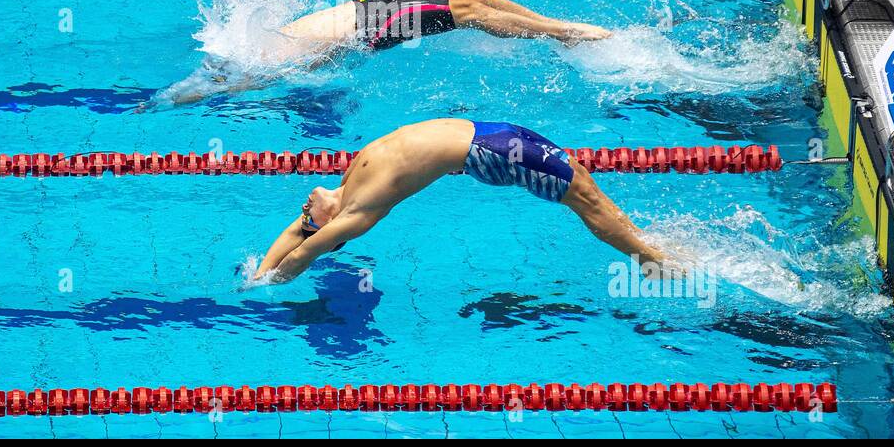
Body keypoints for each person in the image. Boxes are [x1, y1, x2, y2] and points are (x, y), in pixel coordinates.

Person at [252, 118, 670, 283]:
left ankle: (653, 251)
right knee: (585, 203)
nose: (304, 211)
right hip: (493, 152)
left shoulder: (347, 186)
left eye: (305, 213)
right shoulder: (359, 211)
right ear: (332, 224)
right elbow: (305, 250)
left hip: (495, 133)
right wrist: (266, 282)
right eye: (311, 216)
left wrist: (262, 268)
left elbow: (300, 234)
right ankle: (657, 264)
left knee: (584, 185)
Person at [159, 0, 611, 105]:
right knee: (469, 10)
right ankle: (563, 33)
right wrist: (169, 99)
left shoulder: (262, 56)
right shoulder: (266, 62)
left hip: (372, 7)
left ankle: (558, 29)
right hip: (373, 17)